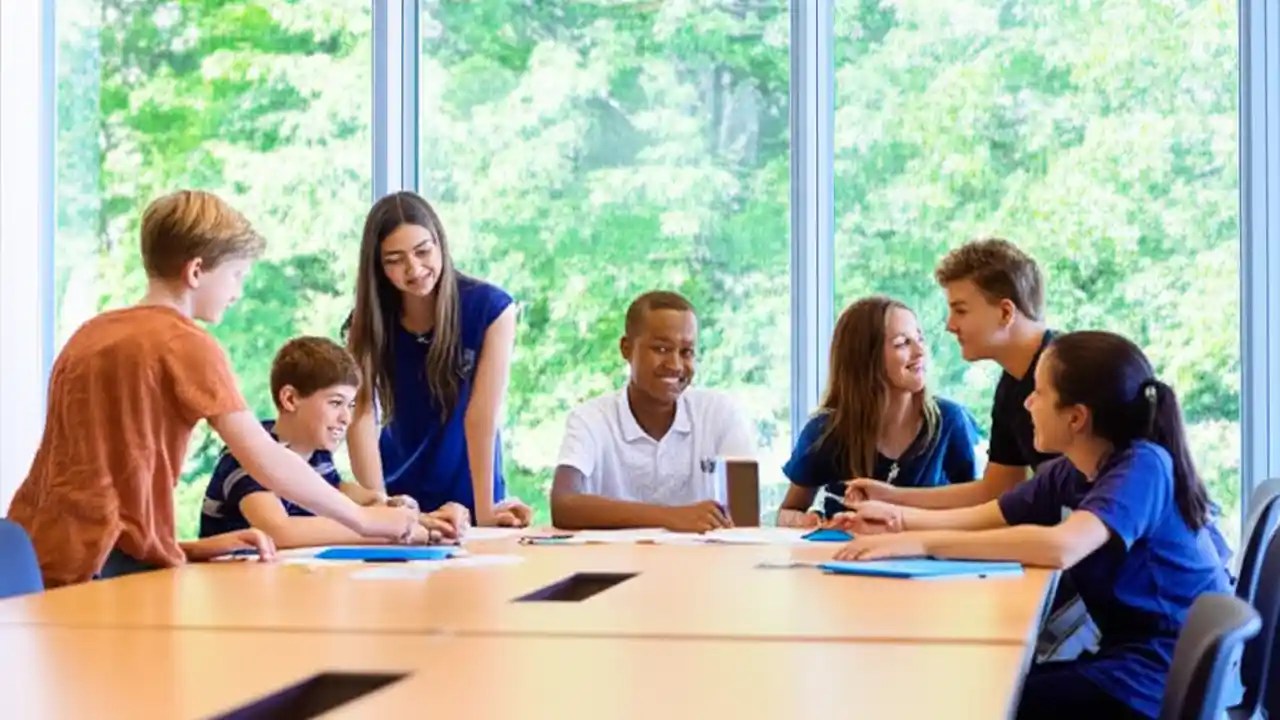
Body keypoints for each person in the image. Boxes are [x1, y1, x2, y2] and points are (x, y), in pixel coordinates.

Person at [6, 190, 417, 587]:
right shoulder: (186, 344)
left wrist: (190, 548)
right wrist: (364, 521)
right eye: (235, 275)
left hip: (38, 556)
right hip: (99, 572)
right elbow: (267, 460)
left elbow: (95, 485)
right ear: (196, 271)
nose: (237, 292)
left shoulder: (91, 335)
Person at [833, 331, 1231, 720]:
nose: (1026, 403)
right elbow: (984, 517)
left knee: (978, 698)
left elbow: (1062, 547)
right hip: (1128, 661)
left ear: (1076, 417)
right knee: (982, 686)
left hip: (1154, 678)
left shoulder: (1143, 466)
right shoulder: (1071, 471)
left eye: (1039, 393)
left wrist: (922, 545)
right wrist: (896, 521)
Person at [344, 191, 530, 527]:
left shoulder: (491, 309)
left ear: (440, 243)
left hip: (473, 492)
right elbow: (360, 413)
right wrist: (380, 508)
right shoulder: (366, 321)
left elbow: (481, 416)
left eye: (422, 251)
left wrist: (485, 512)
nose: (414, 269)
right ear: (378, 266)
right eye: (394, 260)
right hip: (401, 498)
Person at [199, 336, 470, 548]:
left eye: (351, 405)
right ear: (290, 399)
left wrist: (423, 519)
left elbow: (347, 496)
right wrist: (392, 531)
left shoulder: (316, 454)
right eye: (335, 403)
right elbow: (280, 530)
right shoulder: (249, 455)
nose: (346, 418)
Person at [848, 238, 1056, 509]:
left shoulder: (1076, 373)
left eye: (960, 310)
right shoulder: (1011, 386)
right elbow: (996, 490)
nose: (950, 325)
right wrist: (889, 497)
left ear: (1006, 312)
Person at [550, 291, 756, 531]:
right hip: (614, 564)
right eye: (660, 349)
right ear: (626, 349)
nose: (675, 365)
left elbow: (745, 517)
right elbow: (563, 504)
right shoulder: (591, 419)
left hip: (702, 565)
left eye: (686, 352)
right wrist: (671, 517)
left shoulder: (721, 414)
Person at [777, 297, 978, 527]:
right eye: (903, 343)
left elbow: (976, 510)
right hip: (843, 557)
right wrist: (809, 522)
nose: (920, 350)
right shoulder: (825, 431)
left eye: (920, 339)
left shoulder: (951, 421)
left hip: (925, 558)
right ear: (865, 358)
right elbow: (787, 512)